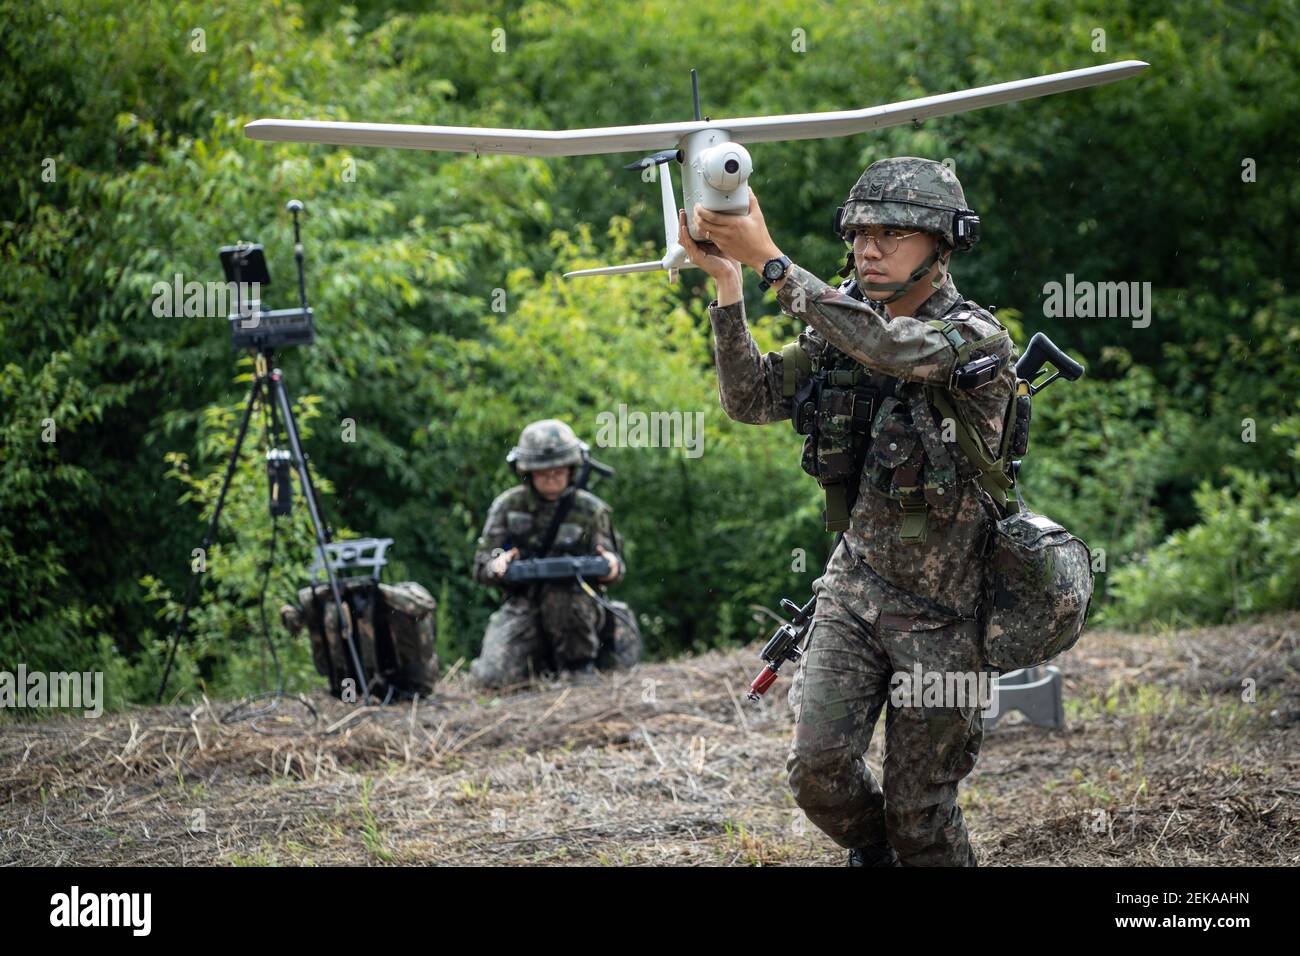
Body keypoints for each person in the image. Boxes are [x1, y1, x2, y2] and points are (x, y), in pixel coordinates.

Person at [680, 157, 1016, 867]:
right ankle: (875, 855)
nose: (869, 249)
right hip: (853, 592)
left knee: (920, 818)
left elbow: (887, 347)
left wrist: (773, 264)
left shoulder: (973, 338)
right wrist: (729, 286)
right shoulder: (840, 326)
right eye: (860, 234)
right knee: (818, 774)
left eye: (891, 234)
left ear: (941, 246)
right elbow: (751, 399)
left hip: (945, 615)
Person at [470, 419, 639, 687]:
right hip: (524, 604)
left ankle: (578, 667)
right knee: (493, 679)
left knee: (562, 594)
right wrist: (497, 564)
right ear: (527, 472)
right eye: (543, 472)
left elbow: (614, 565)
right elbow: (482, 564)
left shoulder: (591, 510)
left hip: (579, 605)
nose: (551, 477)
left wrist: (611, 566)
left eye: (558, 471)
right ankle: (540, 663)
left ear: (571, 469)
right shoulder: (508, 506)